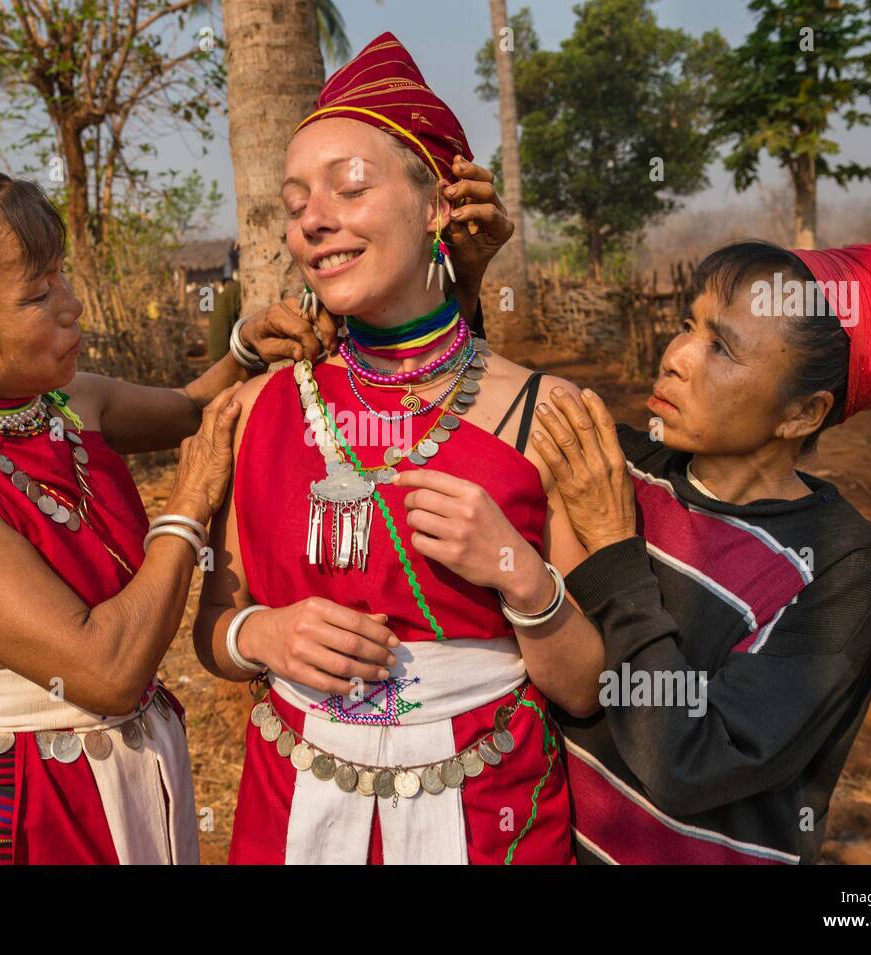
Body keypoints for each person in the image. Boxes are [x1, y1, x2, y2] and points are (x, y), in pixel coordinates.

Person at [0, 91, 375, 864]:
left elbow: (190, 406)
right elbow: (108, 671)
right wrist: (187, 504)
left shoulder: (67, 403)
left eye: (62, 278)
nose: (73, 307)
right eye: (37, 294)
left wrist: (247, 349)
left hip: (130, 770)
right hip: (28, 808)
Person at [192, 33, 605, 865]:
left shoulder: (546, 412)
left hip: (493, 814)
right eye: (296, 198)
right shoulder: (259, 408)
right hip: (290, 812)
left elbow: (590, 686)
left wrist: (521, 578)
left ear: (436, 207)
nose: (314, 218)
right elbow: (212, 631)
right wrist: (262, 636)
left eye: (350, 187)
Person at [528, 239, 871, 864]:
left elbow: (687, 762)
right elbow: (488, 419)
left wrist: (616, 551)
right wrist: (457, 286)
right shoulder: (624, 467)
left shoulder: (842, 564)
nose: (673, 357)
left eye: (721, 347)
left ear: (801, 414)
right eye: (686, 325)